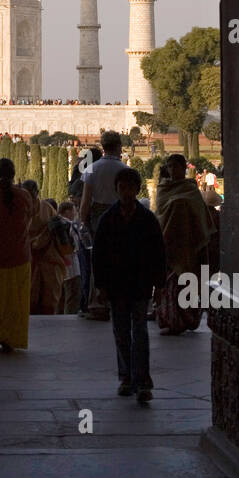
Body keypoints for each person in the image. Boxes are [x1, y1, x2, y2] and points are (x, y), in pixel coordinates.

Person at [92, 166, 167, 404]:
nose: (125, 192)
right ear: (116, 190)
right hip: (116, 285)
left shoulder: (147, 219)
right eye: (121, 188)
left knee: (141, 332)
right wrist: (101, 286)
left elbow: (159, 252)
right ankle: (126, 377)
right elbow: (99, 255)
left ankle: (143, 381)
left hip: (140, 284)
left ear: (137, 189)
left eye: (130, 187)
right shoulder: (108, 219)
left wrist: (159, 282)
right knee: (122, 333)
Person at [154, 153, 217, 335]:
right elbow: (161, 213)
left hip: (188, 244)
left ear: (183, 168)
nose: (173, 170)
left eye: (176, 166)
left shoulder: (191, 190)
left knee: (184, 285)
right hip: (168, 242)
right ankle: (170, 320)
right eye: (170, 167)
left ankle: (186, 320)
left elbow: (200, 217)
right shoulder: (164, 189)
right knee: (169, 287)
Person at [78, 133, 132, 320]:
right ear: (118, 147)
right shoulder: (123, 169)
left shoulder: (92, 168)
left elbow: (85, 202)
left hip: (97, 219)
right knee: (118, 260)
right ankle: (117, 302)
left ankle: (97, 304)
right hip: (120, 217)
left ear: (103, 147)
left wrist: (82, 222)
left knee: (97, 262)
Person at [0, 158, 33, 351]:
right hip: (20, 255)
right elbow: (31, 216)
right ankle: (14, 338)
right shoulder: (25, 196)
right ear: (13, 174)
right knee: (18, 301)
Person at [58, 200, 85, 314]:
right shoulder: (68, 225)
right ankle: (69, 317)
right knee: (73, 295)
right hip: (72, 266)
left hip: (62, 266)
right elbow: (75, 245)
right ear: (67, 211)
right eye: (73, 210)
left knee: (64, 296)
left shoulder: (58, 223)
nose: (75, 213)